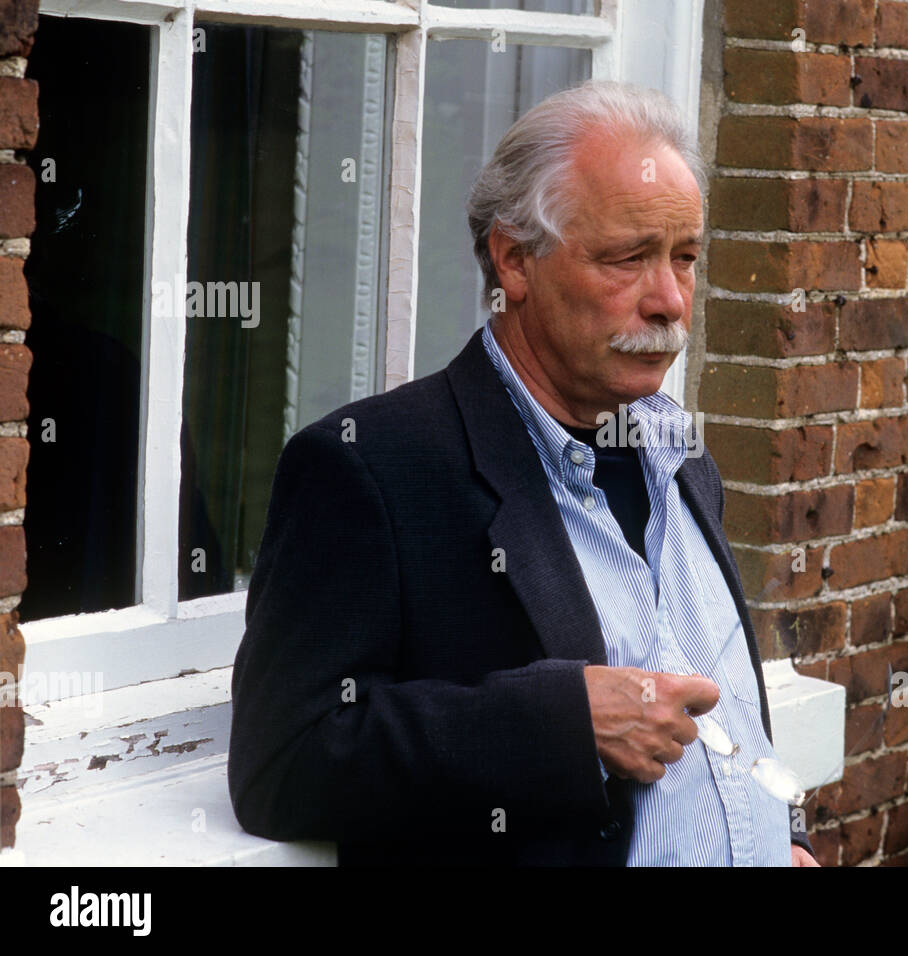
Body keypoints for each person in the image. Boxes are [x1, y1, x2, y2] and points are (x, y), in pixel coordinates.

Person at [228, 80, 818, 867]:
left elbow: (727, 698)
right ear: (514, 261)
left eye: (684, 257)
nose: (671, 301)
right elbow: (285, 760)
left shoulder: (683, 454)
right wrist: (562, 724)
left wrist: (786, 835)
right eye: (627, 258)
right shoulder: (372, 466)